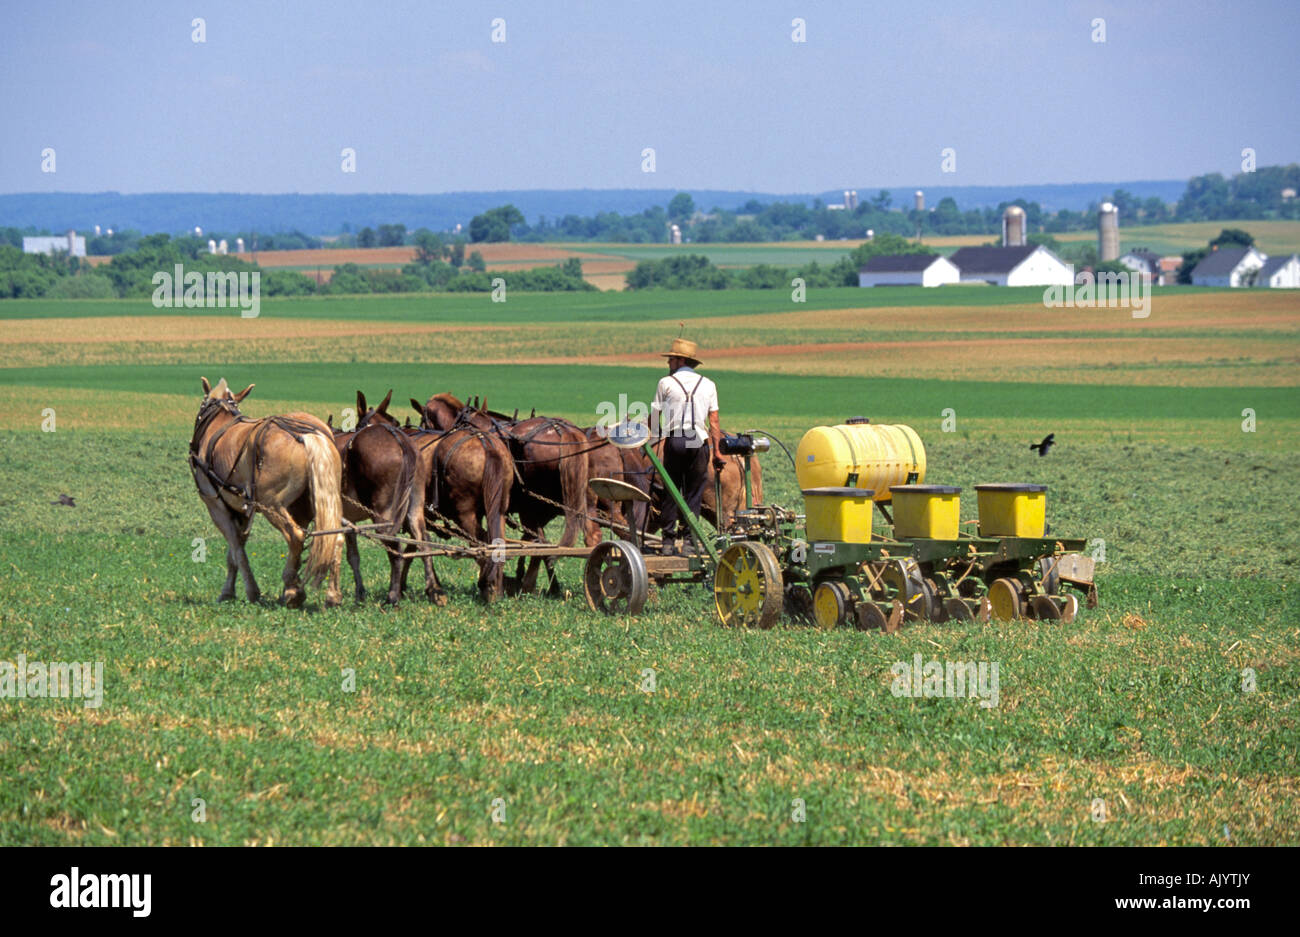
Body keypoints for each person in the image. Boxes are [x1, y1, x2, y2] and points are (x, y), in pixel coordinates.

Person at [650, 337, 726, 554]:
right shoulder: (709, 385)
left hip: (675, 440)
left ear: (680, 360)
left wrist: (650, 441)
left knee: (671, 490)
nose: (668, 363)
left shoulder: (665, 383)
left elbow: (655, 417)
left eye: (671, 359)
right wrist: (717, 453)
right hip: (698, 440)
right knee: (694, 493)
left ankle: (667, 541)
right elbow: (714, 421)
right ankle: (690, 542)